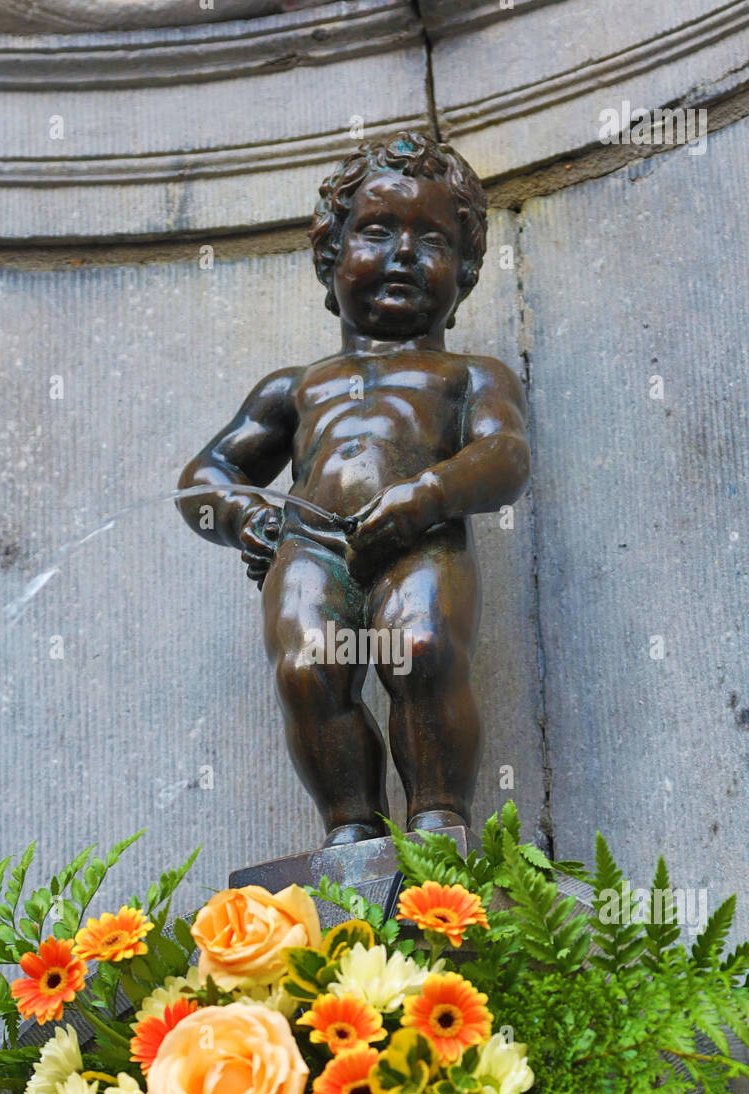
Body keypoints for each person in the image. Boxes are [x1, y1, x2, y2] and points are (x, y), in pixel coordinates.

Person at [177, 131, 529, 846]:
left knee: (425, 648)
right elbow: (203, 479)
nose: (402, 253)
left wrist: (427, 495)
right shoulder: (297, 386)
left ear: (463, 275)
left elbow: (505, 455)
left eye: (430, 239)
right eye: (376, 231)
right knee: (308, 669)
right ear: (330, 256)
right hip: (310, 545)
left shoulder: (470, 374)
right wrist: (245, 514)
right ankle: (350, 833)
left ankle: (438, 827)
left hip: (421, 537)